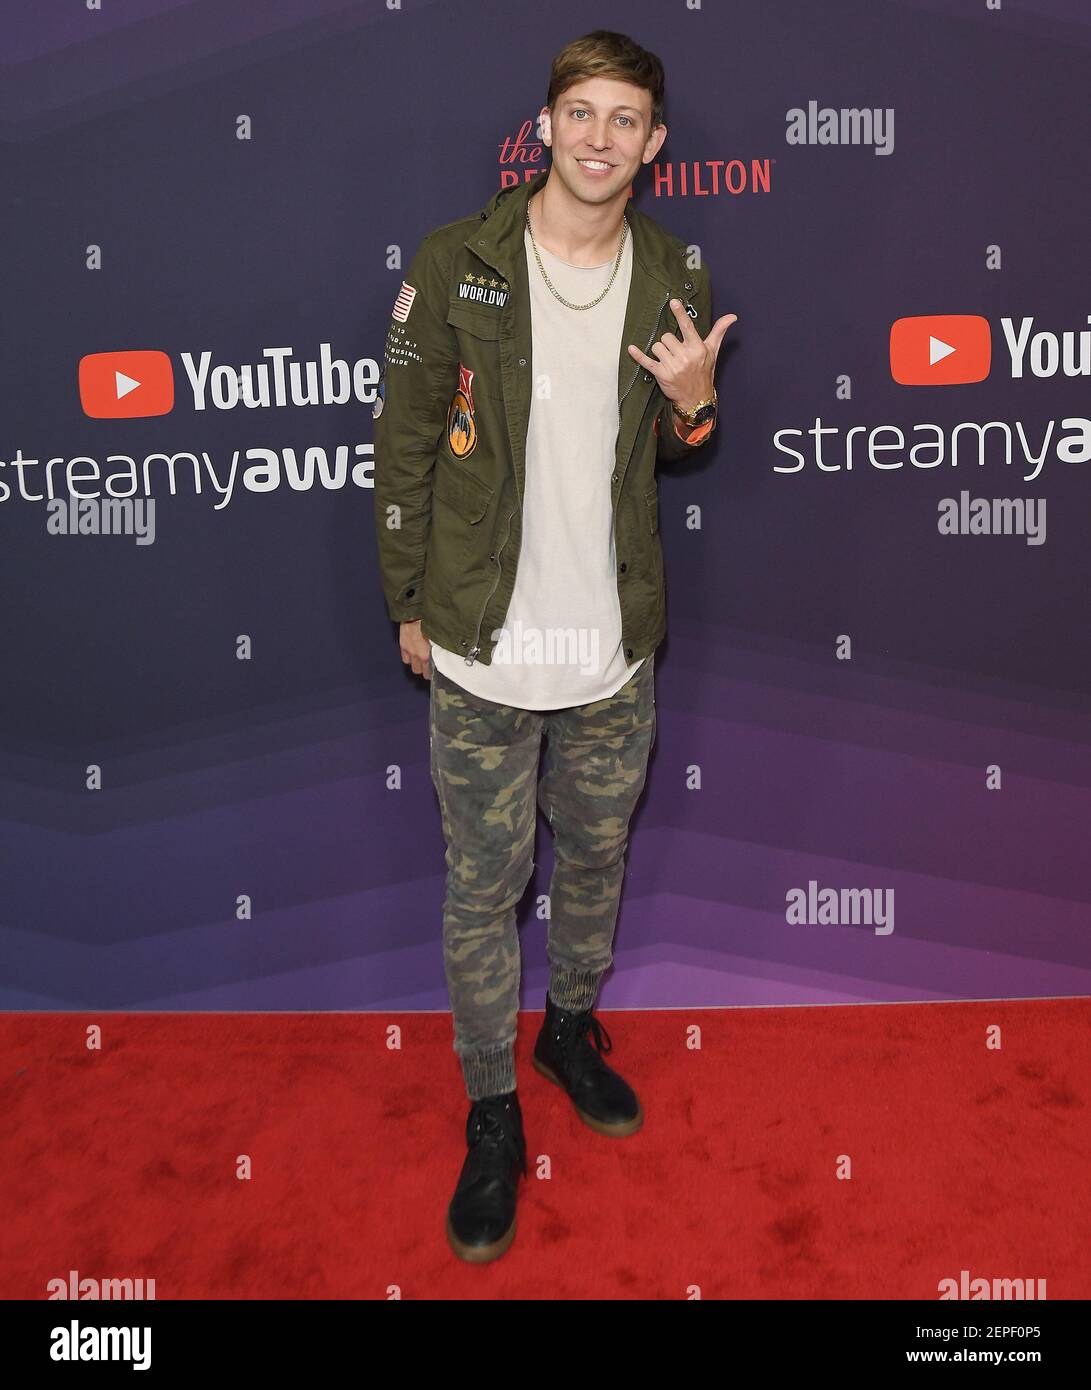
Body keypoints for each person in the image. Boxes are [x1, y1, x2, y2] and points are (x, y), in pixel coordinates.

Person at [372, 29, 736, 1263]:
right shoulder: (459, 259)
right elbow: (403, 449)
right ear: (541, 128)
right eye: (576, 113)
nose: (596, 138)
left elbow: (684, 439)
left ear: (654, 144)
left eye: (621, 118)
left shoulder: (672, 265)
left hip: (609, 648)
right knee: (481, 890)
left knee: (593, 857)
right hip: (480, 646)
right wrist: (406, 606)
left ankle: (568, 1029)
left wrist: (696, 397)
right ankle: (489, 1112)